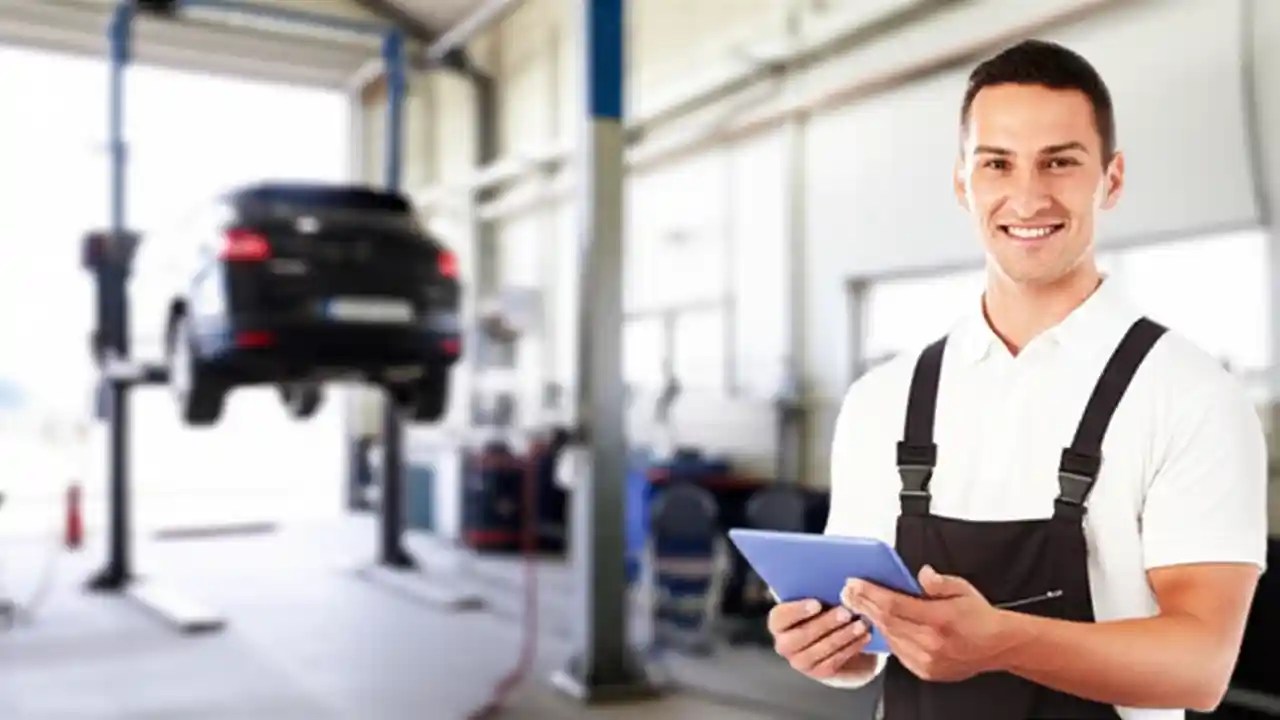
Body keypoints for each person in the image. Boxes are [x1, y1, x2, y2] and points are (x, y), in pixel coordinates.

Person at [767, 39, 1268, 719]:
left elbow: (1199, 666)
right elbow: (864, 644)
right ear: (961, 182)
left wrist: (1000, 642)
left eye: (1060, 162)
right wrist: (830, 649)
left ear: (1111, 180)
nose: (1027, 196)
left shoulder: (1191, 395)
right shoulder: (882, 401)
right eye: (997, 164)